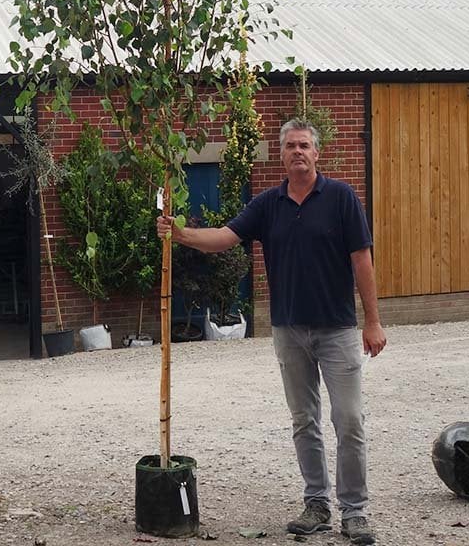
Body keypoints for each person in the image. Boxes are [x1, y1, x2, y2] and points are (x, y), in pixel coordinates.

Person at [157, 118, 386, 544]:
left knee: (349, 419)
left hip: (337, 329)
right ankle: (316, 503)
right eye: (290, 146)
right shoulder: (268, 204)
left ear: (317, 153)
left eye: (305, 145)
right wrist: (181, 234)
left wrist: (372, 320)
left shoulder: (341, 198)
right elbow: (226, 237)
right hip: (289, 329)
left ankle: (354, 511)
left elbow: (361, 260)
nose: (298, 152)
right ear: (281, 155)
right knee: (304, 421)